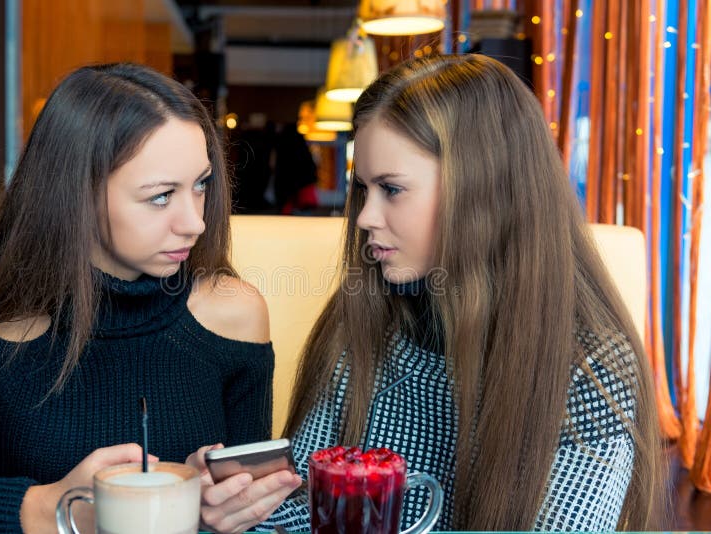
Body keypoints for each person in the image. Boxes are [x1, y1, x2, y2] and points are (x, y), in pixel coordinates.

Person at [194, 53, 666, 532]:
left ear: (482, 191)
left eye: (392, 190)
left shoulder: (591, 370)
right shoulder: (364, 319)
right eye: (363, 190)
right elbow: (303, 509)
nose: (364, 217)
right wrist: (239, 511)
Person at [0, 63, 284, 532]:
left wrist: (216, 507)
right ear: (75, 194)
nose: (195, 222)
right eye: (161, 196)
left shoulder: (235, 315)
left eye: (201, 184)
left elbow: (253, 516)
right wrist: (46, 509)